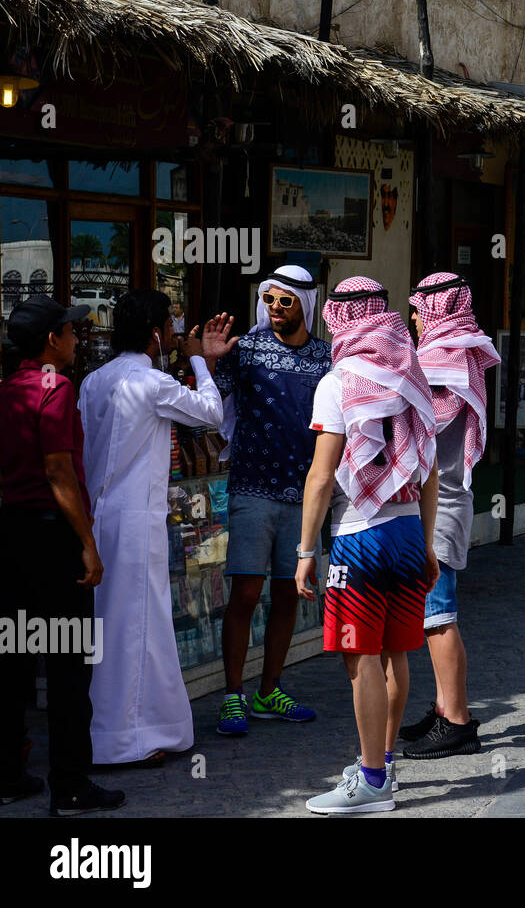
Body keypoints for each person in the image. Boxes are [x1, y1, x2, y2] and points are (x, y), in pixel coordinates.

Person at [295, 276, 439, 814]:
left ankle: (373, 780)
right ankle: (380, 764)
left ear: (338, 318)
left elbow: (321, 474)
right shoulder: (412, 375)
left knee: (361, 659)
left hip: (360, 534)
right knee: (396, 652)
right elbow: (430, 473)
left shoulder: (338, 381)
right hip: (406, 532)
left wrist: (306, 551)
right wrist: (426, 543)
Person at [79, 290, 232, 765]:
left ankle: (122, 729)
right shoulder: (150, 382)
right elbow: (211, 412)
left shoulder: (94, 381)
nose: (173, 334)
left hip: (102, 516)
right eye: (168, 326)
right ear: (153, 334)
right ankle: (132, 737)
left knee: (115, 626)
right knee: (138, 626)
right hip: (135, 519)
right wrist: (201, 362)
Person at [0, 296, 125, 815]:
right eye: (72, 331)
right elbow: (58, 472)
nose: (78, 339)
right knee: (70, 667)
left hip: (11, 536)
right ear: (52, 340)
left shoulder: (7, 389)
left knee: (12, 663)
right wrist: (88, 544)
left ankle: (9, 774)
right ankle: (71, 785)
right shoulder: (56, 386)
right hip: (52, 537)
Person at [212, 265, 331, 735]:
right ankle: (232, 696)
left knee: (288, 595)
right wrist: (213, 360)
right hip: (251, 489)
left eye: (286, 301)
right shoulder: (246, 350)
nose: (277, 309)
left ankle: (269, 691)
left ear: (306, 302)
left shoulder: (328, 357)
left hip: (305, 497)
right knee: (244, 593)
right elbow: (210, 406)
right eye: (271, 300)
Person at [398, 272, 500, 760]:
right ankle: (443, 708)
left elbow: (422, 423)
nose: (413, 317)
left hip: (439, 503)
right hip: (442, 499)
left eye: (419, 308)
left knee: (438, 615)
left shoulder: (445, 359)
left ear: (436, 310)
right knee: (432, 613)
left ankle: (457, 722)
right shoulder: (453, 354)